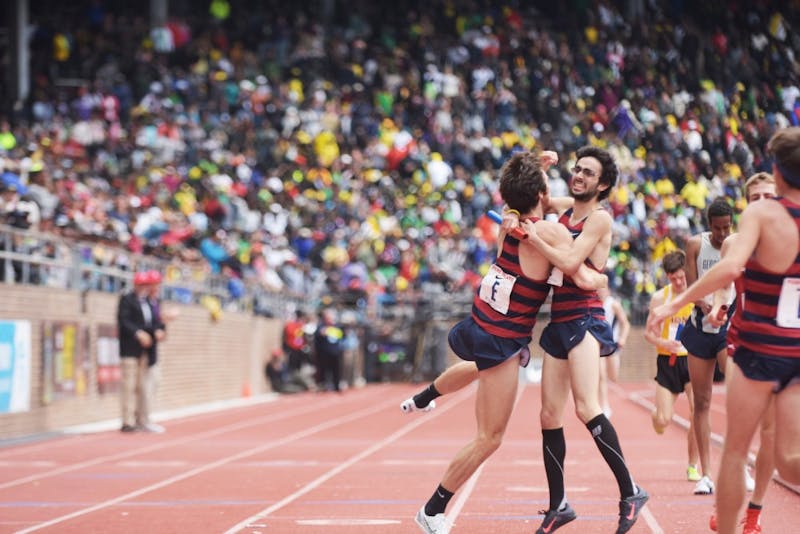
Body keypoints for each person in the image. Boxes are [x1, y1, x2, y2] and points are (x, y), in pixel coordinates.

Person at [414, 150, 607, 534]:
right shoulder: (548, 230)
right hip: (501, 339)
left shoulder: (509, 221)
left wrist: (537, 166)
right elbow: (579, 271)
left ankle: (426, 396)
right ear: (539, 193)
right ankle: (432, 510)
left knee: (477, 373)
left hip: (480, 323)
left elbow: (516, 195)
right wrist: (599, 280)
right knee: (489, 437)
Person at [646, 127, 800, 534]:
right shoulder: (745, 225)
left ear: (779, 172)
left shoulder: (761, 216)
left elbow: (730, 270)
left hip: (756, 349)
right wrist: (715, 307)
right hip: (794, 349)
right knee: (790, 459)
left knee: (736, 449)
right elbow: (730, 281)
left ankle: (737, 523)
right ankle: (748, 517)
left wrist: (674, 303)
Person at [519, 146, 648, 534]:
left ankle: (631, 492)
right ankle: (559, 504)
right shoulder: (564, 208)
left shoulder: (600, 219)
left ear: (602, 183)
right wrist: (538, 168)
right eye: (576, 170)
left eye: (587, 173)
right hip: (559, 318)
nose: (578, 176)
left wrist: (535, 239)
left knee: (587, 406)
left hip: (587, 317)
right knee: (548, 415)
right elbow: (535, 199)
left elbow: (572, 262)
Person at [707, 172, 778, 534]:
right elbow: (723, 282)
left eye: (768, 196)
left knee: (771, 434)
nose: (761, 203)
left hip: (780, 343)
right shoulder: (734, 241)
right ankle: (728, 505)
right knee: (738, 427)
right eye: (754, 198)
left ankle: (755, 512)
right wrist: (719, 305)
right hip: (740, 338)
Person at [677, 197, 736, 495]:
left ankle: (739, 467)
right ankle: (707, 474)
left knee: (739, 394)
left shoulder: (738, 244)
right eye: (718, 228)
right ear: (709, 225)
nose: (723, 234)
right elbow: (691, 287)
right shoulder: (696, 245)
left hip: (729, 328)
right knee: (701, 402)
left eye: (727, 227)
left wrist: (724, 309)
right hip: (701, 328)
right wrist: (706, 304)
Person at [641, 250, 700, 482]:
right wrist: (663, 341)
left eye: (682, 277)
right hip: (667, 360)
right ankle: (658, 417)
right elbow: (647, 333)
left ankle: (693, 465)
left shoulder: (697, 295)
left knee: (698, 412)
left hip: (692, 360)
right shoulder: (660, 298)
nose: (678, 282)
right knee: (663, 420)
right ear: (667, 277)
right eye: (673, 278)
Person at [116, 270, 166, 433]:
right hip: (130, 349)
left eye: (146, 285)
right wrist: (139, 333)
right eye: (142, 284)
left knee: (140, 387)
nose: (144, 288)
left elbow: (153, 323)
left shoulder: (149, 303)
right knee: (128, 386)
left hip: (144, 351)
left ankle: (140, 419)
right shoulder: (127, 300)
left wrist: (159, 330)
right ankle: (127, 421)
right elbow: (124, 321)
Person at [597, 285, 630, 418]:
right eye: (598, 289)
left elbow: (626, 323)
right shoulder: (593, 304)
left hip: (612, 344)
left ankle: (604, 405)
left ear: (608, 290)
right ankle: (604, 406)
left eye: (603, 289)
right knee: (601, 375)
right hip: (598, 344)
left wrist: (622, 338)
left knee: (613, 376)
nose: (600, 291)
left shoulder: (613, 304)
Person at [314, 308, 345, 392]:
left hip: (335, 352)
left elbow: (342, 336)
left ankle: (336, 385)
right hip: (325, 353)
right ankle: (324, 385)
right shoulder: (320, 326)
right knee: (324, 370)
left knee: (336, 370)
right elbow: (317, 337)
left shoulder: (337, 326)